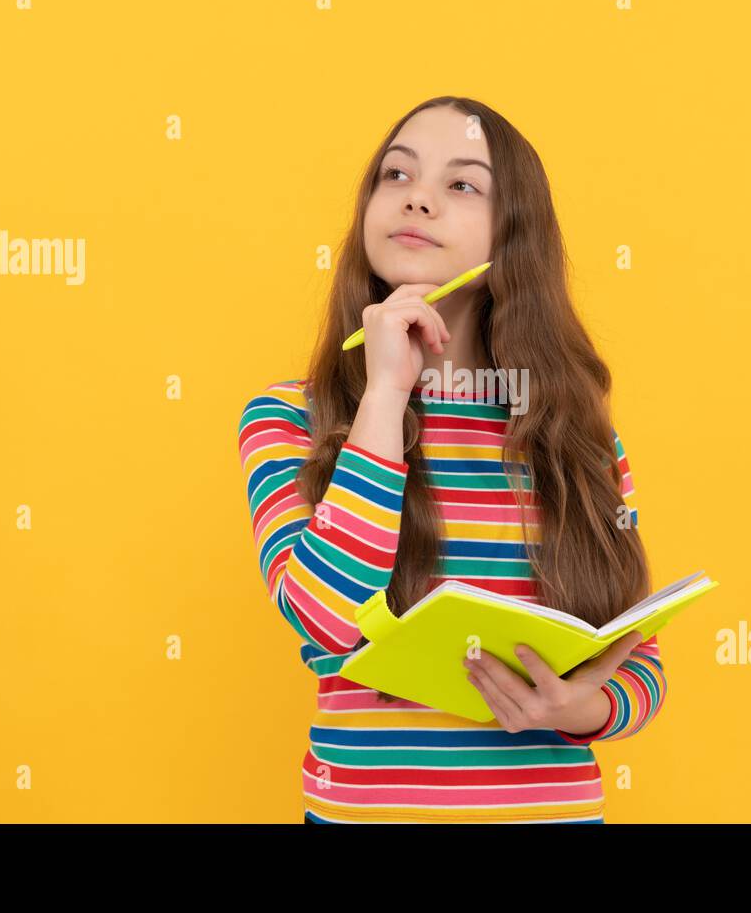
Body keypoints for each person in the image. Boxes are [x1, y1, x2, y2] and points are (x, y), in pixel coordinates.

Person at [239, 96, 666, 823]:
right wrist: (383, 396)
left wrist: (580, 705)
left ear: (515, 234)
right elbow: (325, 615)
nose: (417, 198)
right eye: (395, 174)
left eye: (462, 184)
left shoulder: (579, 436)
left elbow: (640, 664)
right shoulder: (288, 417)